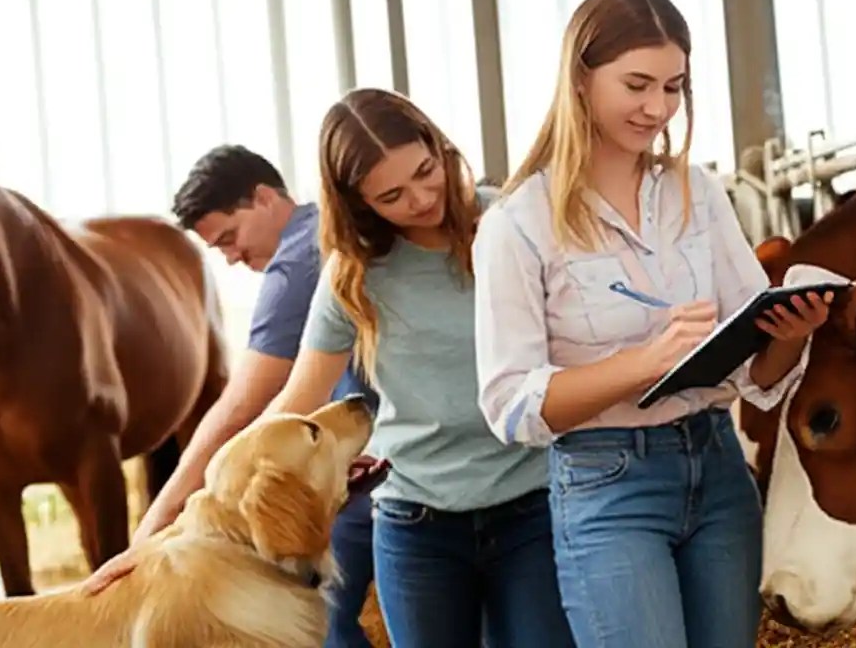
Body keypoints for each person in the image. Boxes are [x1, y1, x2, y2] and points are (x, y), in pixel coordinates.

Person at [472, 0, 832, 648]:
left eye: (674, 87)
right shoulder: (517, 224)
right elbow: (510, 406)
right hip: (606, 484)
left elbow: (757, 371)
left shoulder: (699, 193)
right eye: (637, 84)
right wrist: (645, 362)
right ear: (581, 78)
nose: (657, 108)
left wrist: (788, 334)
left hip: (719, 468)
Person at [262, 87, 574, 648]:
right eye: (391, 195)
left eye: (426, 171)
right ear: (358, 204)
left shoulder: (510, 223)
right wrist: (190, 513)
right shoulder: (354, 275)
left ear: (439, 146)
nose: (422, 198)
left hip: (533, 510)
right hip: (417, 525)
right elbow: (294, 403)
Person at [81, 145, 382, 648]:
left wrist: (156, 525)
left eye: (229, 237)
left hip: (366, 468)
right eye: (218, 250)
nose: (232, 258)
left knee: (314, 607)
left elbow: (241, 409)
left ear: (264, 198)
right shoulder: (329, 235)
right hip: (380, 452)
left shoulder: (298, 261)